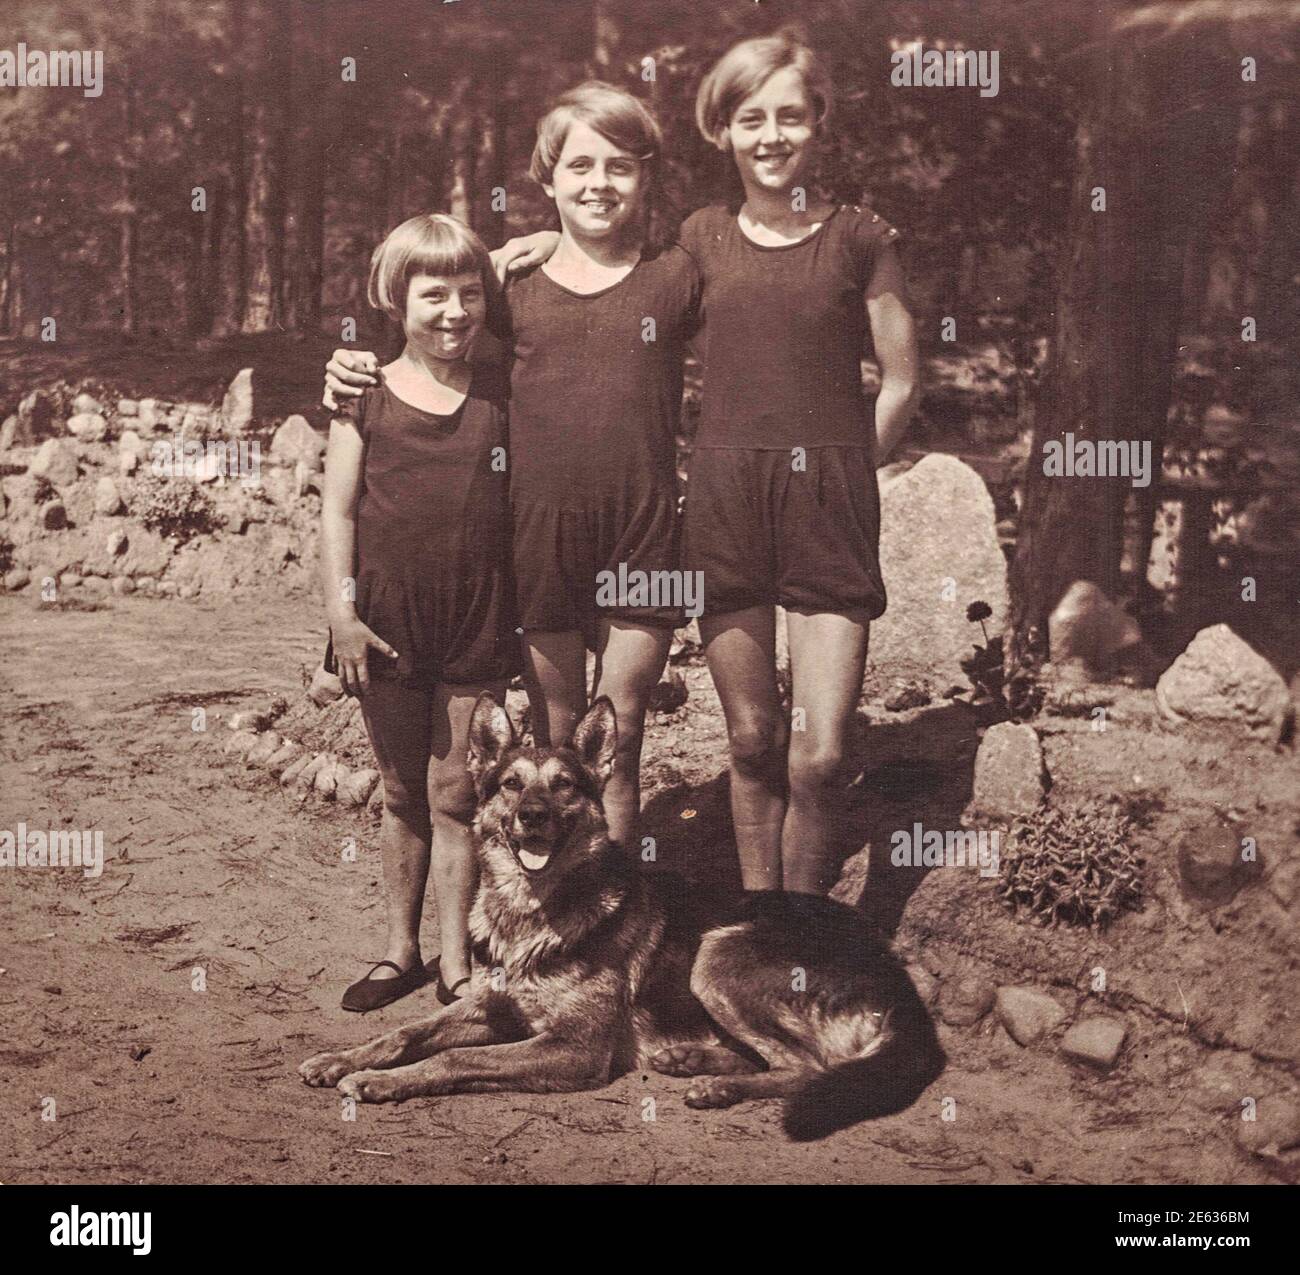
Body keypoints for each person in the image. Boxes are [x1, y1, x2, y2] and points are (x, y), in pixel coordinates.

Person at [325, 83, 702, 851]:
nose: (599, 183)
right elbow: (433, 326)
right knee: (558, 742)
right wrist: (344, 369)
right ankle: (552, 909)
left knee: (620, 735)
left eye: (621, 167)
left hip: (646, 532)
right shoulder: (510, 287)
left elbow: (768, 318)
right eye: (580, 165)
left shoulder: (677, 275)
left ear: (646, 176)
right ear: (548, 176)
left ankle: (614, 921)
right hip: (537, 538)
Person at [678, 30, 919, 895]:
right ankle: (755, 925)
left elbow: (900, 381)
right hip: (726, 504)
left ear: (818, 122)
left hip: (828, 511)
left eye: (790, 115)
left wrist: (850, 468)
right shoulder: (700, 237)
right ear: (724, 130)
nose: (771, 135)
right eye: (751, 118)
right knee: (750, 740)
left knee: (818, 754)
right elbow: (610, 311)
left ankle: (802, 931)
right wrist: (521, 253)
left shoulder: (860, 236)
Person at [319, 213, 517, 1011]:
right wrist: (341, 619)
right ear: (394, 301)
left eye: (471, 294)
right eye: (433, 295)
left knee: (455, 793)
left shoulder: (502, 386)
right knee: (401, 790)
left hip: (476, 616)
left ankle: (454, 959)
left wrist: (505, 257)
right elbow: (337, 512)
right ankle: (398, 949)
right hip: (385, 622)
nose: (454, 312)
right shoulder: (364, 395)